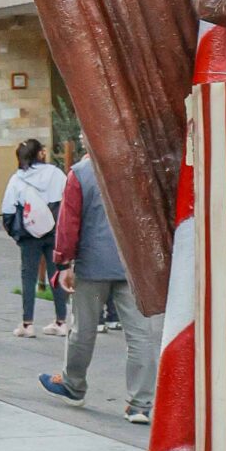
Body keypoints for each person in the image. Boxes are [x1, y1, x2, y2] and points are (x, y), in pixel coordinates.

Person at [40, 147, 158, 423]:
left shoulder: (80, 174)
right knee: (140, 334)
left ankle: (74, 384)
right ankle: (140, 403)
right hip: (132, 264)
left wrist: (64, 262)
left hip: (92, 264)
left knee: (83, 329)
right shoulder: (139, 170)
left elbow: (68, 223)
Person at [1, 137, 69, 339]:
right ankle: (61, 321)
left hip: (29, 234)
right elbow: (68, 202)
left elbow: (7, 210)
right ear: (40, 153)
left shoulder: (17, 179)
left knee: (28, 277)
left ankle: (27, 323)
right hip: (54, 231)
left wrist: (16, 233)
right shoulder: (56, 174)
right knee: (56, 274)